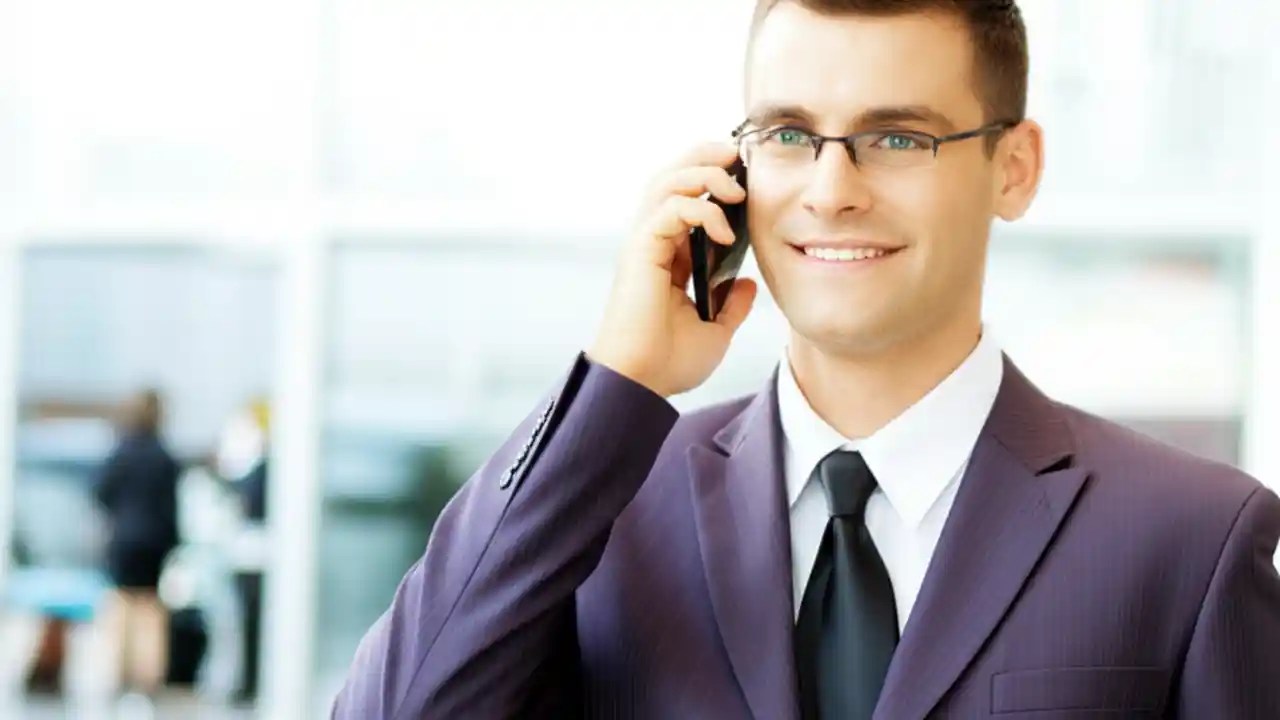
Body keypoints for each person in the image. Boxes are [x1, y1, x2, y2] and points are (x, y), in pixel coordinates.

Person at [334, 1, 1280, 717]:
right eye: (788, 135)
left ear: (1014, 168)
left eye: (896, 137)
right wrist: (620, 378)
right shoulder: (603, 504)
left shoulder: (1191, 538)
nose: (831, 192)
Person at [94, 388, 181, 704]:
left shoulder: (121, 453)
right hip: (155, 542)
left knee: (121, 607)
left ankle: (117, 677)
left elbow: (101, 493)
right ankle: (148, 681)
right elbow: (172, 506)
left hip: (124, 541)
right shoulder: (165, 457)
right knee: (150, 611)